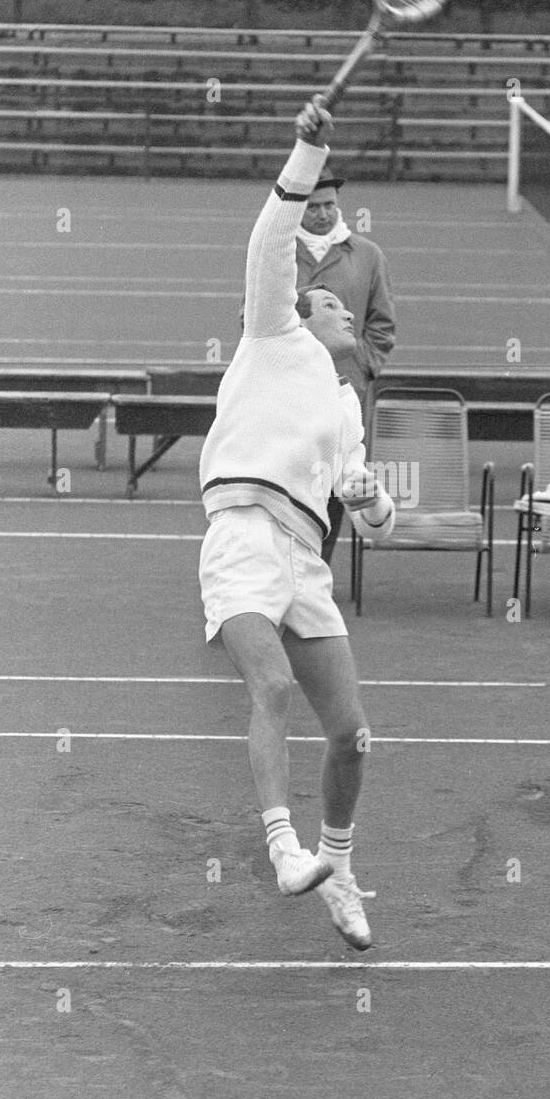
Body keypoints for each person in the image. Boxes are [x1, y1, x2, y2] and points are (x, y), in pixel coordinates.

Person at [197, 95, 395, 951]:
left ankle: (337, 866)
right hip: (241, 534)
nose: (344, 311)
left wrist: (377, 503)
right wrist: (305, 153)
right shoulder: (272, 337)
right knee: (270, 687)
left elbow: (370, 511)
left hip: (305, 561)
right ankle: (282, 846)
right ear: (300, 312)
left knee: (351, 736)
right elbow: (267, 244)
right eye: (331, 307)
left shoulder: (347, 406)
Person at [295, 165, 396, 563]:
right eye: (314, 206)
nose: (323, 214)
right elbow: (249, 318)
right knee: (293, 475)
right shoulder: (277, 252)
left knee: (339, 481)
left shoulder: (368, 255)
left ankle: (317, 568)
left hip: (346, 391)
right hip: (292, 389)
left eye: (330, 205)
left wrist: (362, 365)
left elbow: (383, 325)